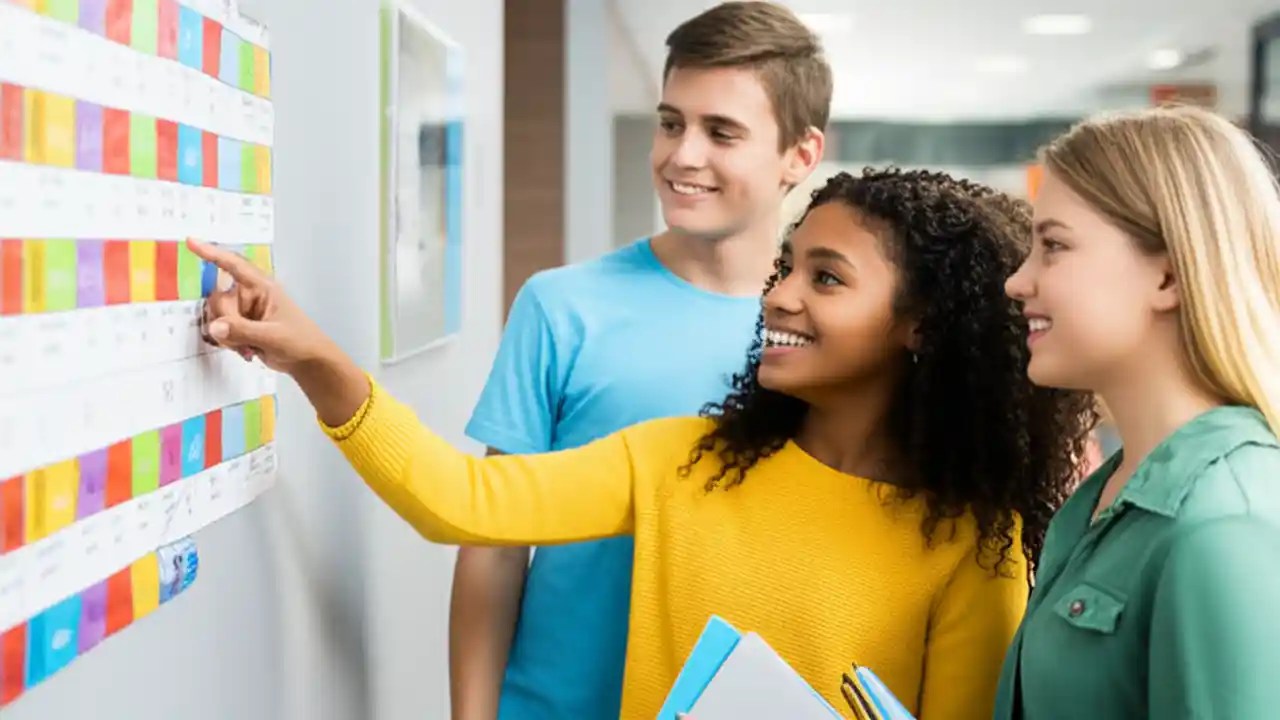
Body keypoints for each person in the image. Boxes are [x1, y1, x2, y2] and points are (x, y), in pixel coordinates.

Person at [189, 166, 1093, 718]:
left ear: (923, 328)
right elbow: (457, 501)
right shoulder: (681, 460)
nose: (779, 295)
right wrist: (314, 361)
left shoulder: (970, 550)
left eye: (826, 278)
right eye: (786, 268)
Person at [452, 3, 830, 719]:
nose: (683, 155)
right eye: (670, 122)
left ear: (800, 155)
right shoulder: (562, 305)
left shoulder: (829, 332)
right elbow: (494, 544)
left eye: (721, 132)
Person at [996, 105, 1280, 718]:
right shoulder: (1103, 499)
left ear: (1170, 276)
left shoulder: (1226, 522)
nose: (1018, 281)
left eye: (1054, 247)